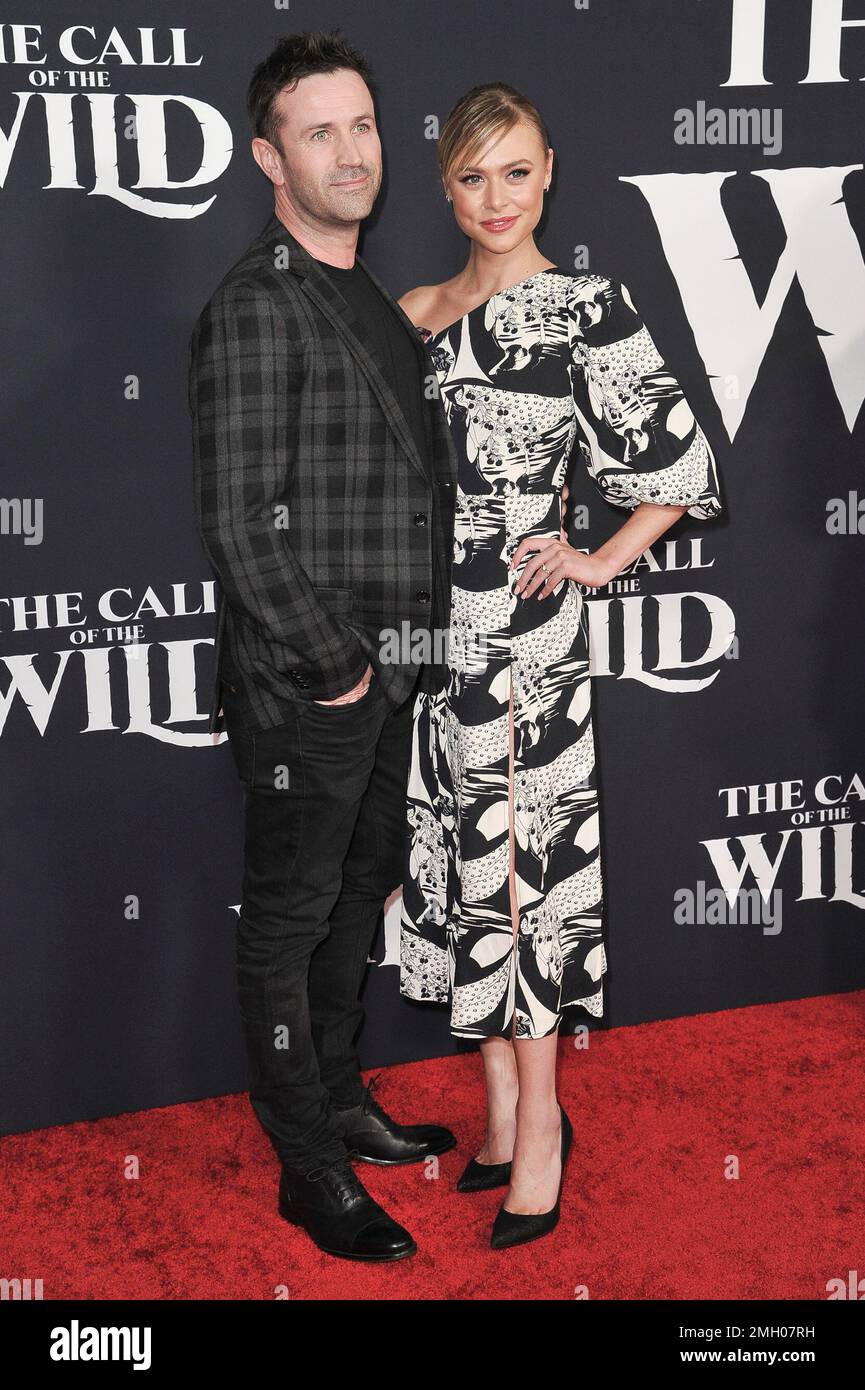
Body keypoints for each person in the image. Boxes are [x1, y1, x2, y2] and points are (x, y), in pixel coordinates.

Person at [398, 82, 723, 1250]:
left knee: (522, 883)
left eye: (517, 171)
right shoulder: (415, 313)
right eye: (474, 175)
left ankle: (542, 1120)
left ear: (550, 174)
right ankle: (492, 1105)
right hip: (430, 647)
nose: (497, 197)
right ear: (445, 184)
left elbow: (676, 463)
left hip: (526, 645)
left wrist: (595, 556)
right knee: (453, 873)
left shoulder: (585, 305)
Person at [188, 30, 459, 1264]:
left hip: (389, 667)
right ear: (267, 156)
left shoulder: (368, 291)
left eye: (361, 126)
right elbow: (240, 526)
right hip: (312, 687)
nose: (349, 152)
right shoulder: (255, 305)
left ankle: (342, 1095)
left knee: (358, 895)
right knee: (290, 920)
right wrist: (340, 667)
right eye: (317, 131)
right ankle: (305, 1164)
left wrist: (396, 659)